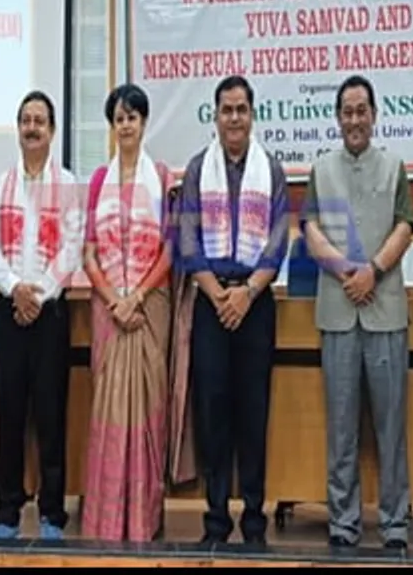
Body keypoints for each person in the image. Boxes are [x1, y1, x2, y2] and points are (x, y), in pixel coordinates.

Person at [301, 75, 413, 550]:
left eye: (361, 110)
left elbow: (407, 225)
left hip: (385, 310)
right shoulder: (321, 168)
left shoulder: (394, 167)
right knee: (341, 427)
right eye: (346, 112)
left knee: (391, 427)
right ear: (337, 116)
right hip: (338, 312)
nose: (354, 120)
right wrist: (348, 270)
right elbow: (309, 230)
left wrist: (374, 270)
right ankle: (343, 523)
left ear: (374, 113)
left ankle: (394, 523)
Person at [178, 75, 290, 545]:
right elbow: (185, 241)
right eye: (226, 110)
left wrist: (246, 293)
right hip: (210, 303)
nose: (234, 118)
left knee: (253, 410)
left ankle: (255, 519)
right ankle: (216, 518)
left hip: (255, 304)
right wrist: (217, 292)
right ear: (215, 115)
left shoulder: (273, 170)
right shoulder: (196, 168)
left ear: (252, 114)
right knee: (213, 410)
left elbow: (279, 240)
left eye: (242, 109)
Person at [0, 91, 82, 540]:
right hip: (9, 312)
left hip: (49, 315)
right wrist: (15, 290)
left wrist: (38, 294)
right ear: (18, 128)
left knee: (50, 416)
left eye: (40, 120)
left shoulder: (68, 184)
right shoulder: (0, 185)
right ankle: (6, 512)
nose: (32, 127)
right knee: (10, 416)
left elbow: (72, 246)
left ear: (52, 130)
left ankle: (52, 514)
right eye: (25, 120)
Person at [80, 84, 178, 542]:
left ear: (144, 122)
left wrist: (135, 297)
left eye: (132, 117)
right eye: (118, 118)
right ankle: (105, 522)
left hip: (148, 309)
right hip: (107, 310)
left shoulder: (162, 176)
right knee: (109, 414)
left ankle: (141, 521)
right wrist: (114, 298)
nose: (125, 125)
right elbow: (89, 252)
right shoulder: (98, 180)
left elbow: (171, 249)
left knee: (146, 418)